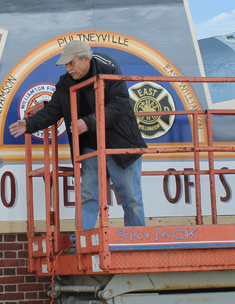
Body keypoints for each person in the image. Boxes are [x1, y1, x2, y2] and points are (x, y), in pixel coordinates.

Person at [8, 40, 146, 230]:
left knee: (131, 197)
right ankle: (81, 240)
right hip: (90, 145)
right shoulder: (66, 82)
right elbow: (53, 110)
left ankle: (137, 240)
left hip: (121, 142)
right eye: (65, 65)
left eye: (71, 63)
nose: (68, 69)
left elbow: (119, 106)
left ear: (85, 59)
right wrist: (29, 124)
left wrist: (89, 122)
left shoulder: (109, 70)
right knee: (87, 195)